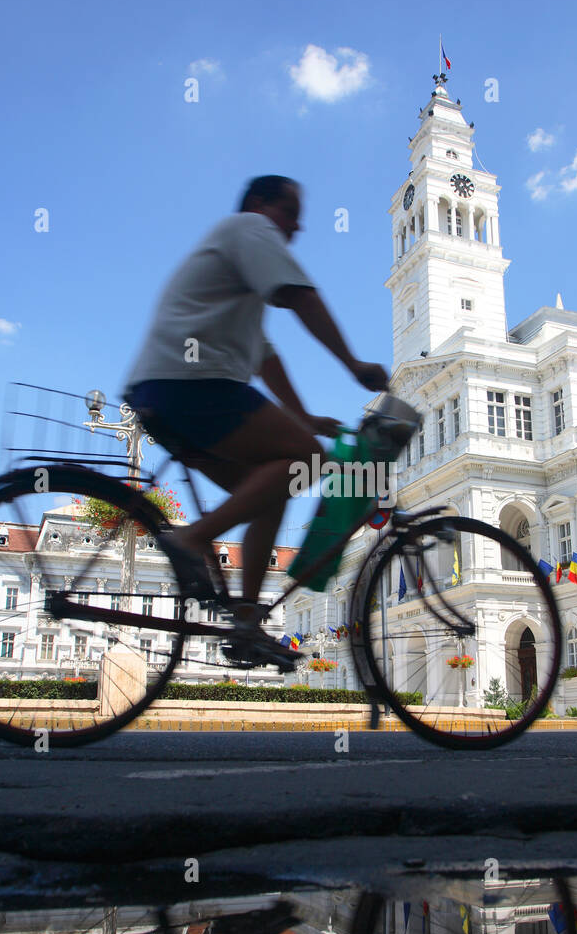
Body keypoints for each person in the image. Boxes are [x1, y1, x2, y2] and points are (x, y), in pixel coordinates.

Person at [122, 175, 388, 658]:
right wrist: (353, 364)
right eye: (289, 211)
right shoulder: (248, 228)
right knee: (305, 459)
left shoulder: (237, 280)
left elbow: (266, 359)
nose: (297, 225)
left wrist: (305, 416)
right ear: (259, 204)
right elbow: (300, 297)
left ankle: (245, 624)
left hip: (166, 393)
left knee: (271, 487)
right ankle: (191, 540)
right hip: (191, 382)